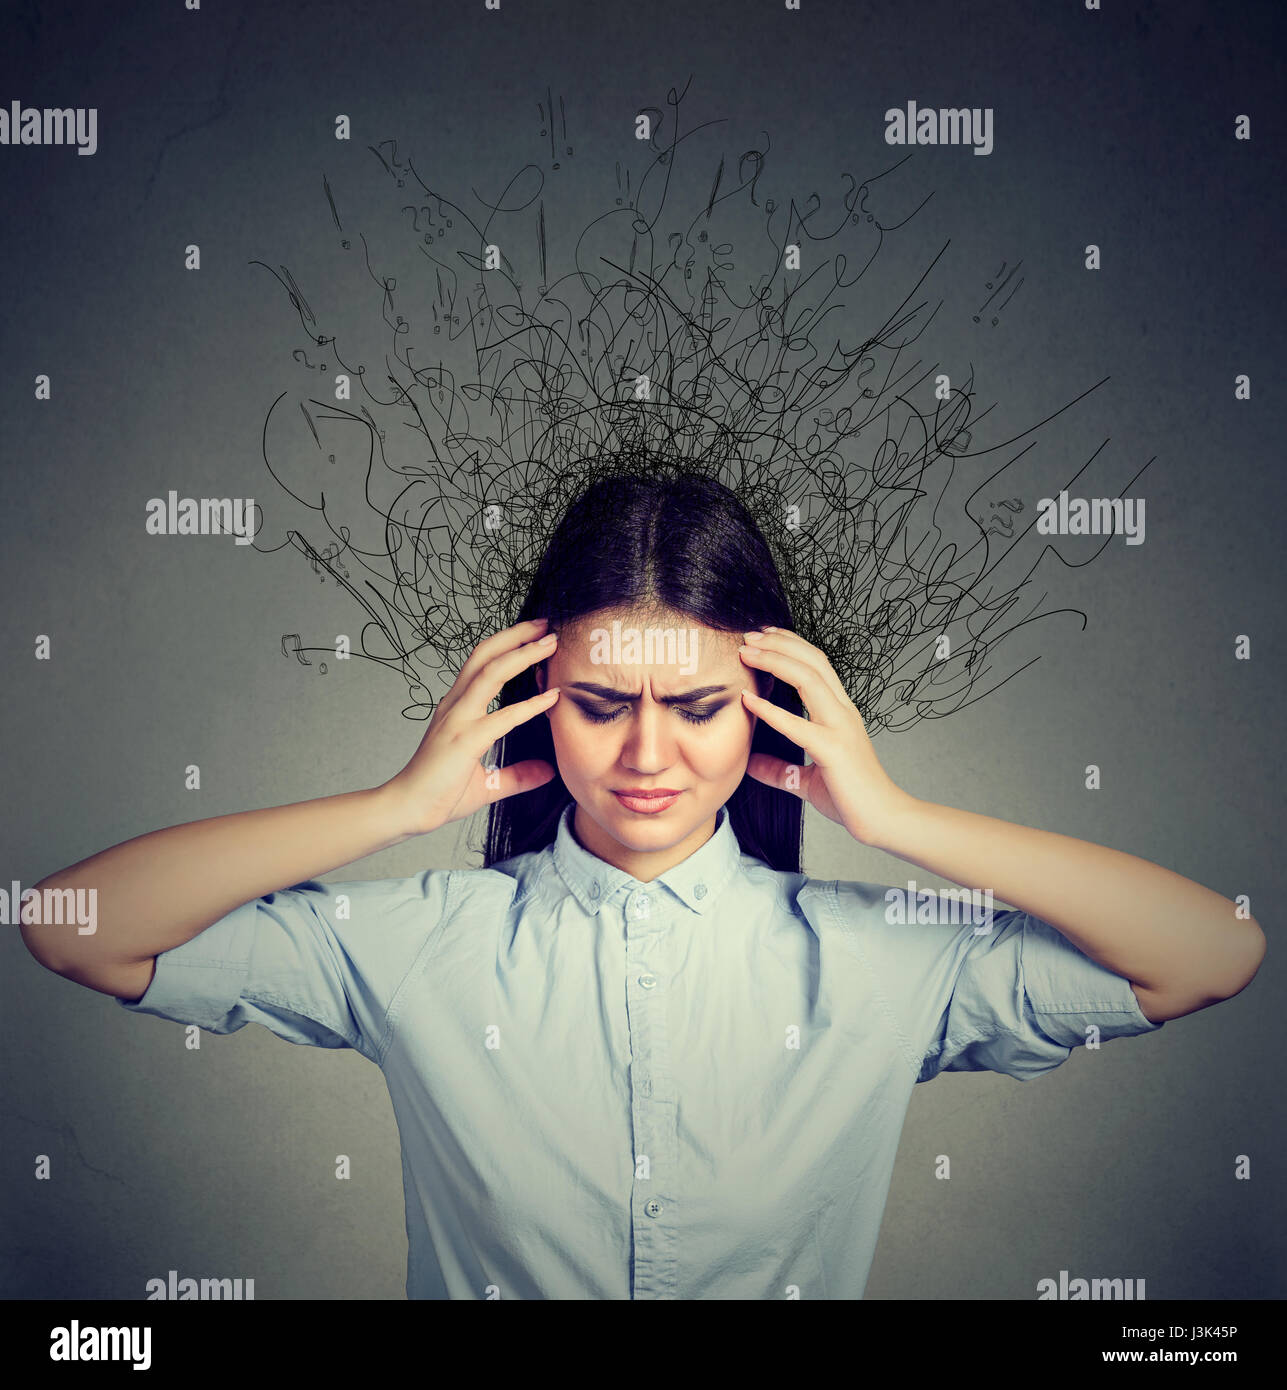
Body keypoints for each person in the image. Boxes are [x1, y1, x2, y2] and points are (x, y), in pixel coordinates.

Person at [20, 471, 1265, 1300]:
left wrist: (896, 817)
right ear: (531, 703)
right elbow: (72, 928)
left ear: (768, 710)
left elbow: (1213, 952)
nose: (648, 755)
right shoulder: (410, 946)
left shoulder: (893, 959)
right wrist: (395, 806)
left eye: (700, 706)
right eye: (601, 705)